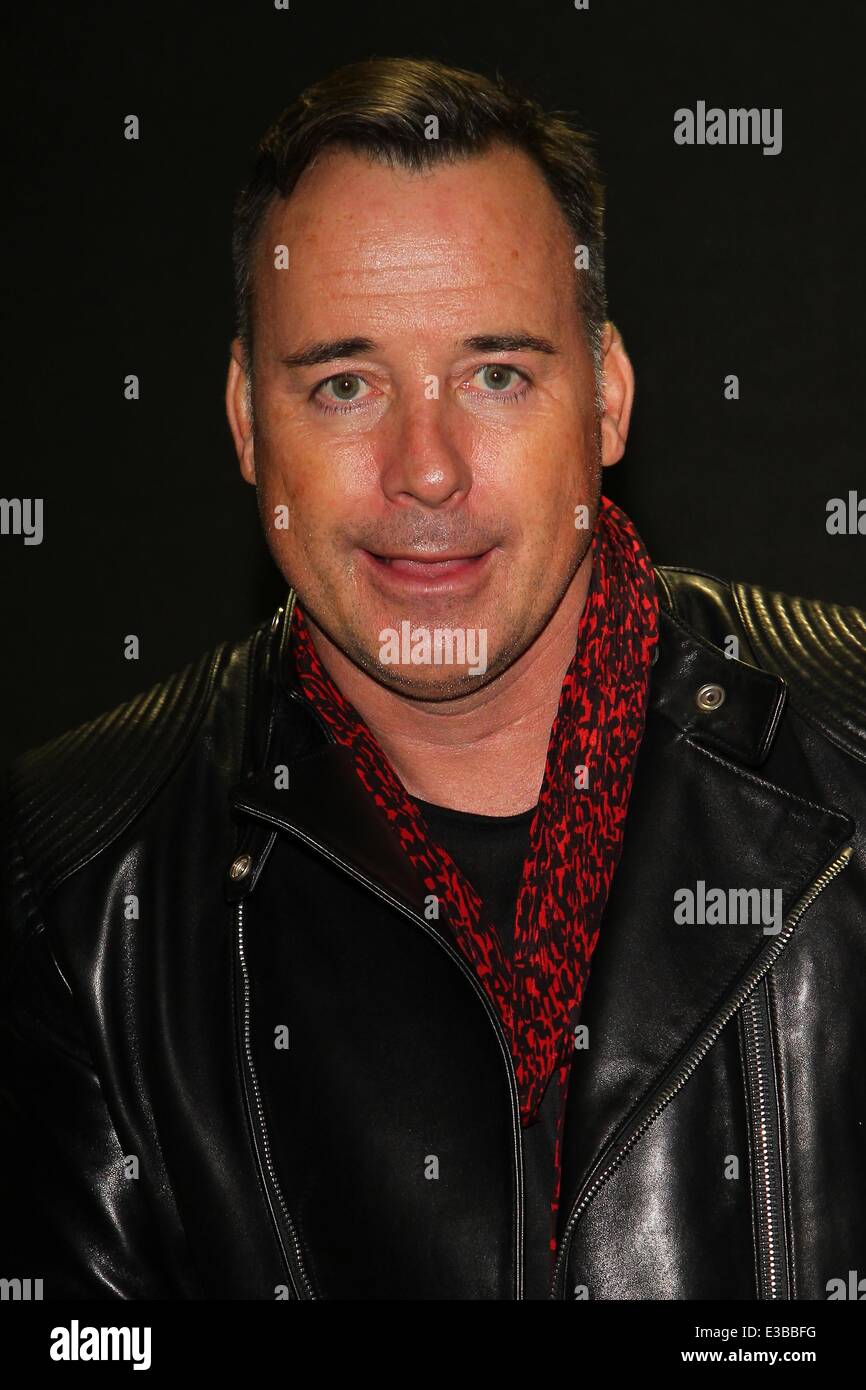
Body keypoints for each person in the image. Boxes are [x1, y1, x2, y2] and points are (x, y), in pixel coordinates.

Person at [2, 56, 864, 1302]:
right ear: (249, 422)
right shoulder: (71, 888)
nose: (425, 469)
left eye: (494, 374)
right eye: (345, 384)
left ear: (607, 399)